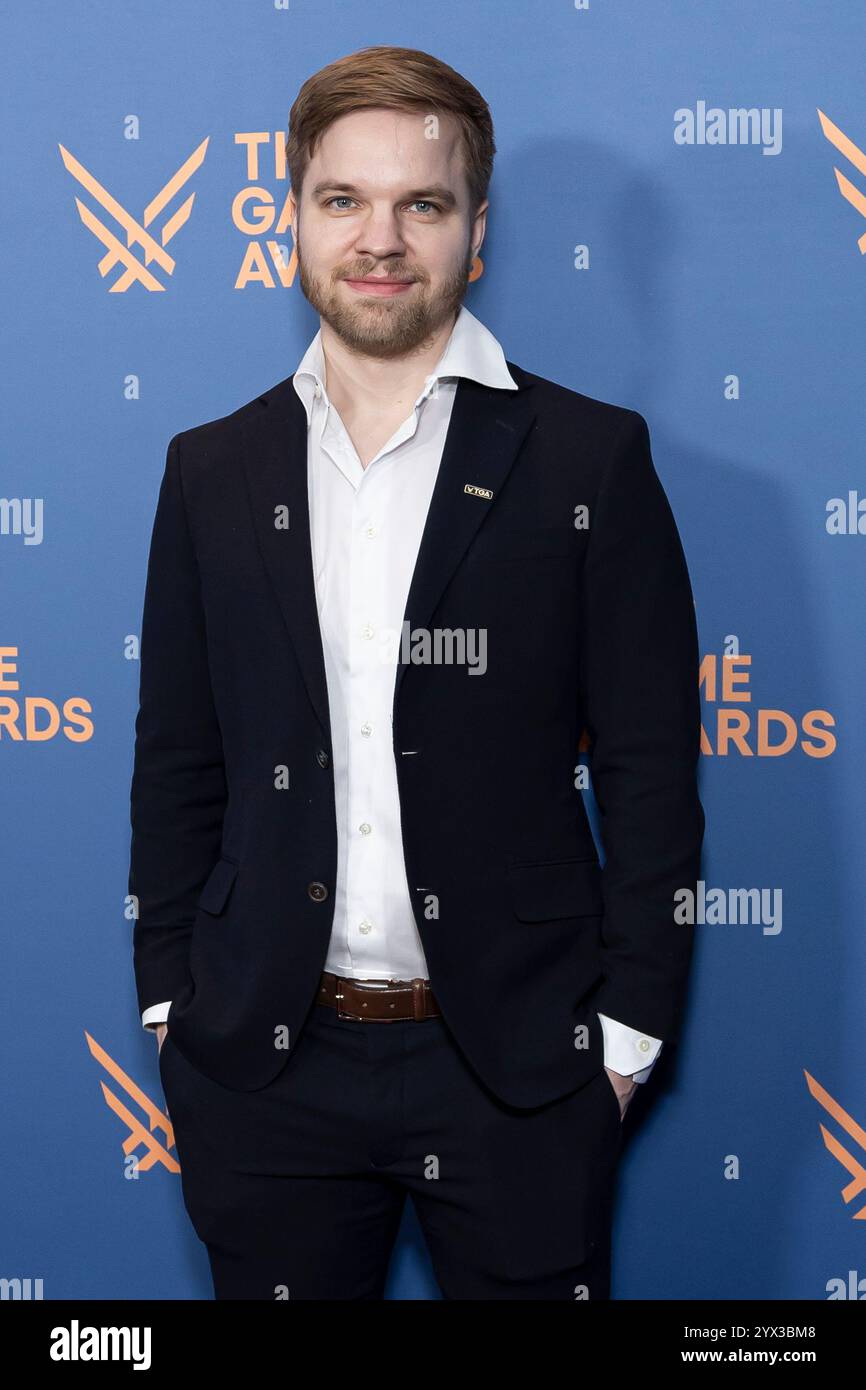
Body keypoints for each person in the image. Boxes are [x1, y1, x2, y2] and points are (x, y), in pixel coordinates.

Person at [129, 44, 704, 1300]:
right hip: (263, 1069)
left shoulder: (589, 463)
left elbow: (654, 774)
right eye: (342, 200)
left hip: (515, 1068)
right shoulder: (209, 470)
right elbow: (178, 762)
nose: (378, 239)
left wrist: (621, 1040)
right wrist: (173, 1010)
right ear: (289, 220)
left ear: (475, 231)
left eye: (420, 205)